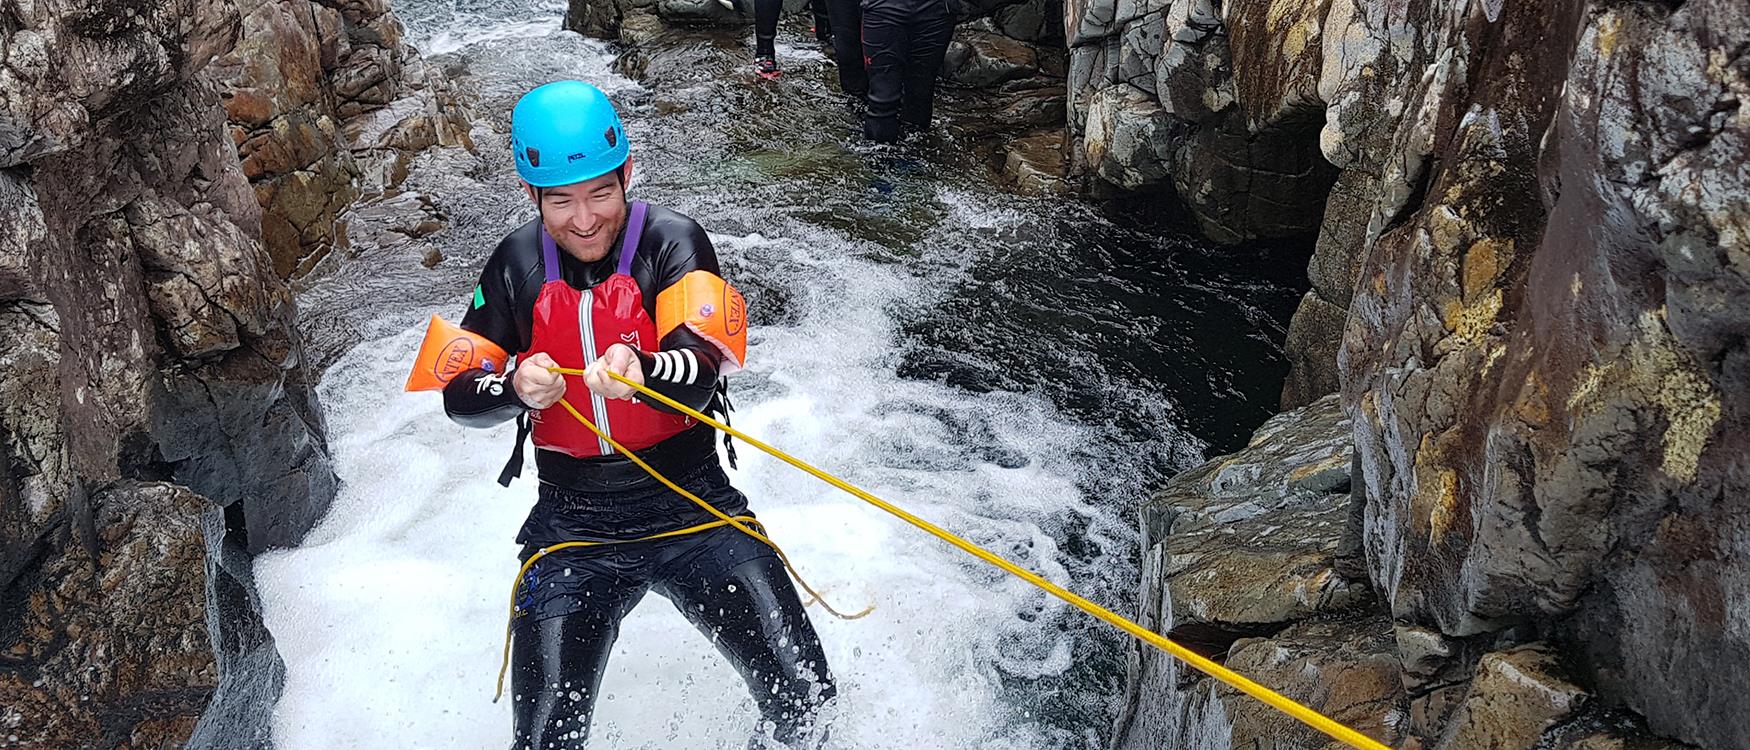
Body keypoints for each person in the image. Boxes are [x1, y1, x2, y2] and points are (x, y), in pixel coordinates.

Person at [438, 80, 836, 748]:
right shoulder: (513, 264)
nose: (585, 218)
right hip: (573, 525)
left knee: (807, 700)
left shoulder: (674, 241)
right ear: (530, 192)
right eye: (561, 200)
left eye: (600, 191)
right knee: (543, 741)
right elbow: (457, 396)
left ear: (627, 171)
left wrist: (642, 369)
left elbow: (701, 373)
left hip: (694, 506)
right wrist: (512, 388)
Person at [859, 0, 954, 142]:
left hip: (936, 13)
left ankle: (914, 156)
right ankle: (879, 160)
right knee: (883, 98)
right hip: (882, 11)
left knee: (920, 93)